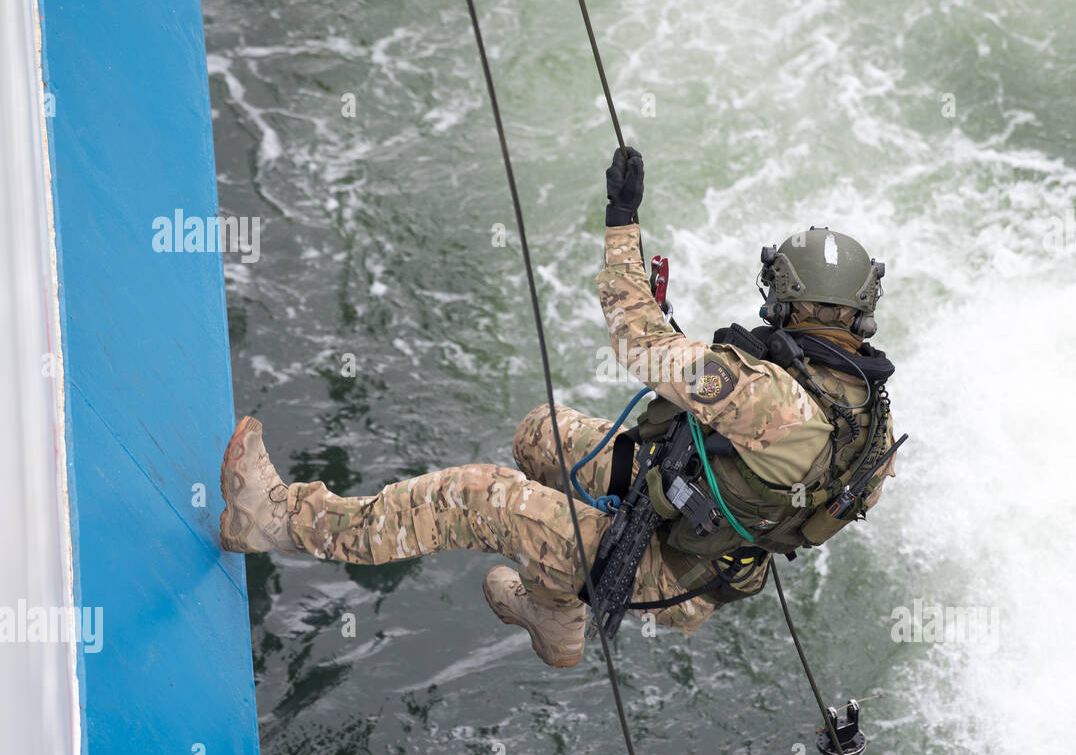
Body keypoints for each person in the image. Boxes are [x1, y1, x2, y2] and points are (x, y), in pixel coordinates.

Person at [219, 147, 899, 667]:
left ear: (784, 300)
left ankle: (277, 522)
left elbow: (637, 342)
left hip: (660, 568)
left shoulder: (769, 395)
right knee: (542, 438)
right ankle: (554, 617)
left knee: (476, 497)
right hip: (709, 553)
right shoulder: (866, 414)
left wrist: (621, 223)